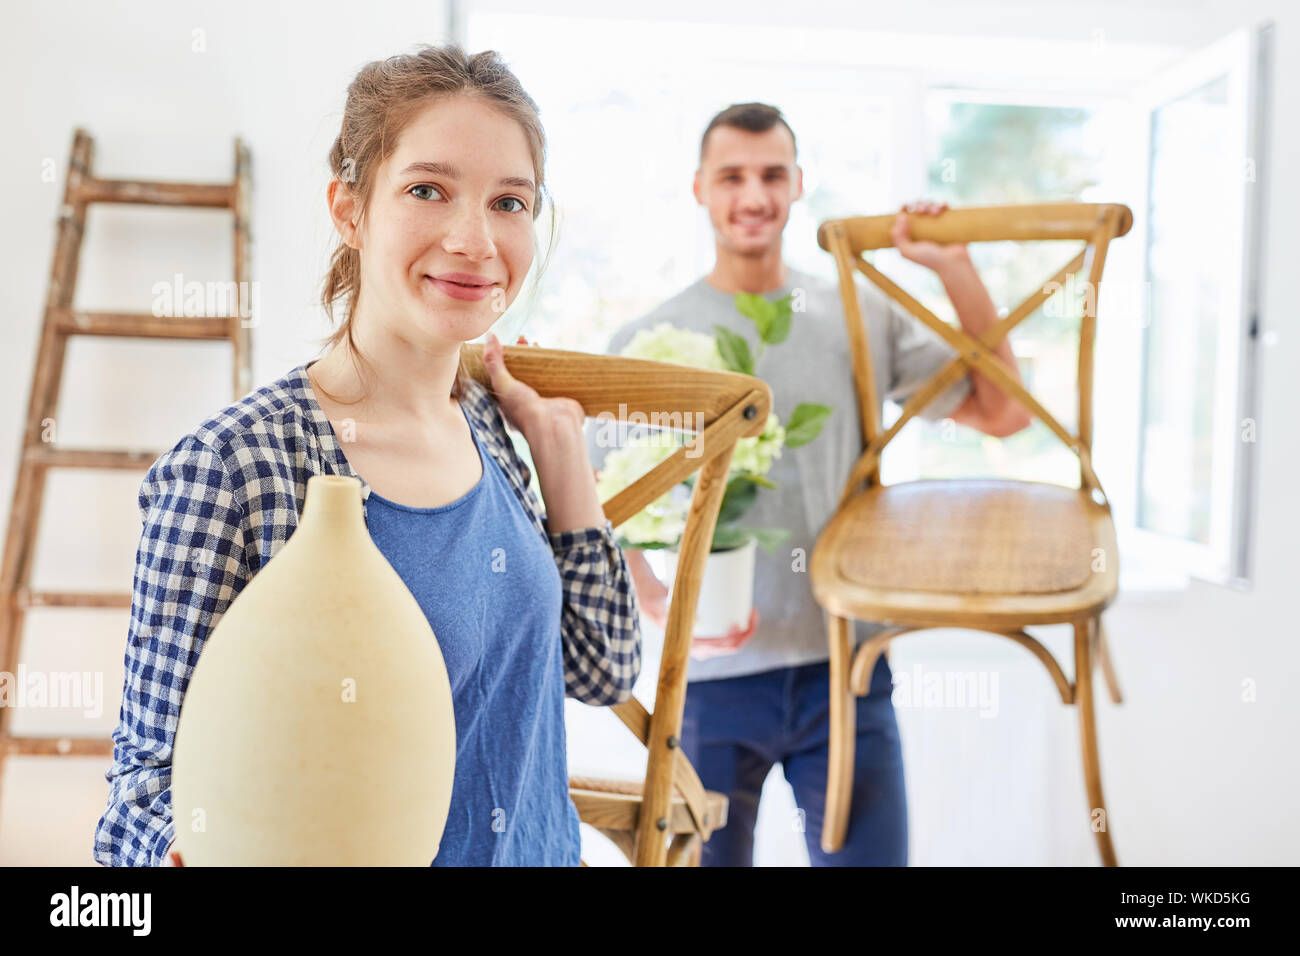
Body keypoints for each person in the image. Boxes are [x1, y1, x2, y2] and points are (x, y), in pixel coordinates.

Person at [93, 43, 641, 868]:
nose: (475, 239)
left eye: (509, 202)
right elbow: (141, 799)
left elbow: (604, 669)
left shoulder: (490, 427)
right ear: (349, 209)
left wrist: (564, 463)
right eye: (428, 190)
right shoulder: (235, 468)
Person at [588, 102, 1030, 866]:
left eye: (771, 175)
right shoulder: (652, 341)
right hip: (713, 683)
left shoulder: (857, 314)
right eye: (732, 176)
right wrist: (654, 599)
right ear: (699, 188)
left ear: (798, 185)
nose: (753, 196)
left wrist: (956, 268)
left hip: (848, 671)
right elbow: (601, 494)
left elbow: (1004, 411)